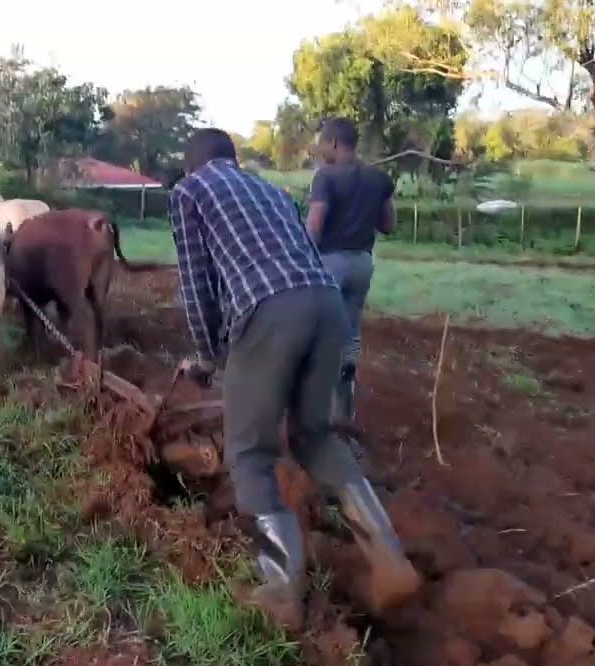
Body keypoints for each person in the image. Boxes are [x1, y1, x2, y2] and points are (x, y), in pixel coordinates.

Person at [168, 128, 419, 630]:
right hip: (327, 305)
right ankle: (390, 559)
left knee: (248, 452)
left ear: (192, 165)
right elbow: (303, 249)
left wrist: (206, 355)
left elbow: (197, 285)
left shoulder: (189, 192)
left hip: (270, 312)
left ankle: (282, 589)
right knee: (313, 434)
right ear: (233, 159)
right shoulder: (267, 189)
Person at [305, 118, 396, 426]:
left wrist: (302, 255)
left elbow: (315, 225)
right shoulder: (379, 178)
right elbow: (389, 225)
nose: (319, 149)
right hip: (362, 263)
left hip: (330, 264)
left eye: (321, 143)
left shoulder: (325, 177)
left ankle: (313, 414)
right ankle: (344, 413)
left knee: (320, 335)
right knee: (349, 334)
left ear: (333, 143)